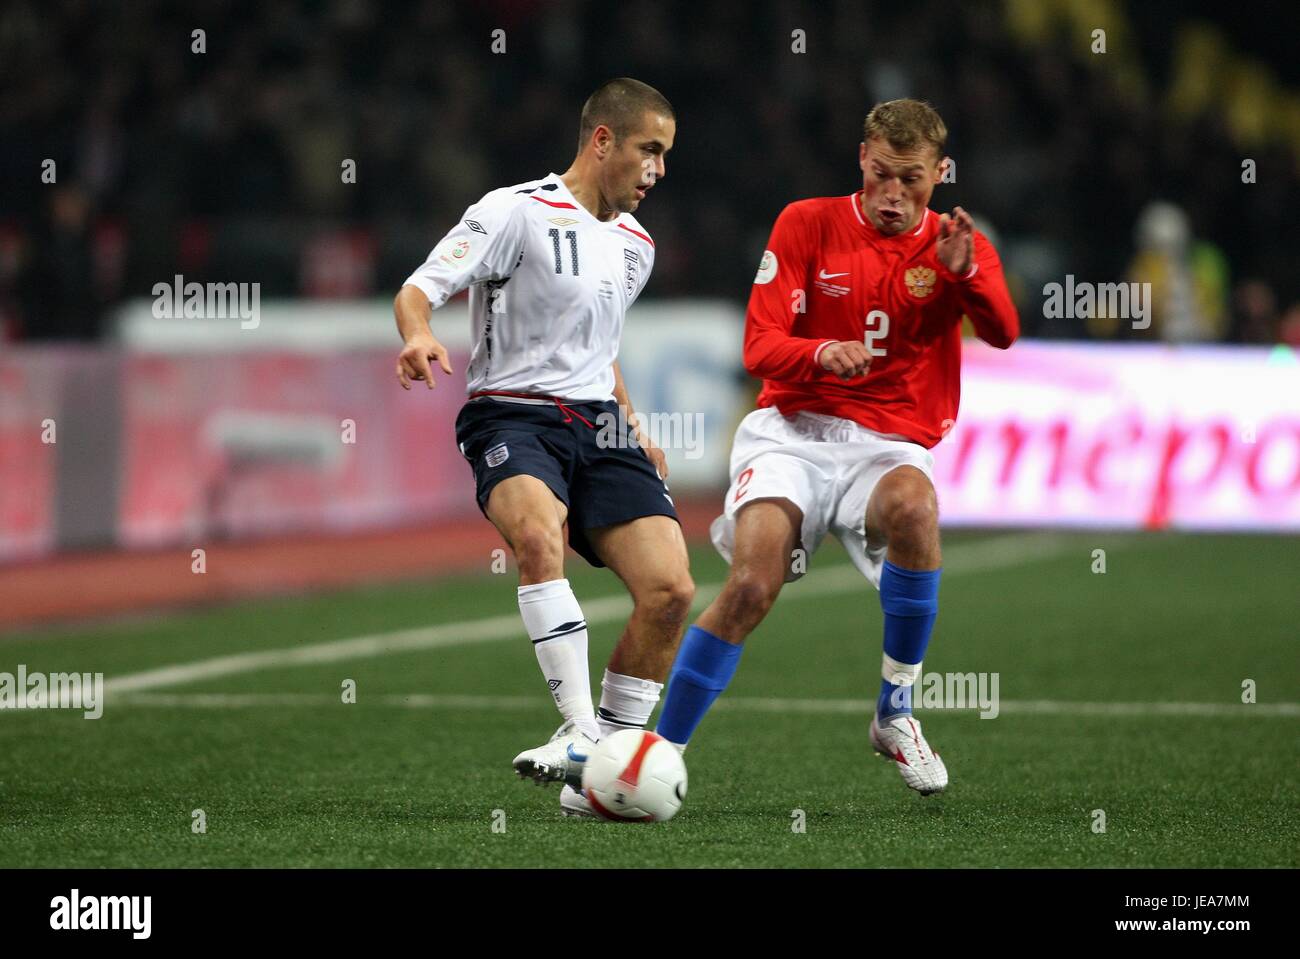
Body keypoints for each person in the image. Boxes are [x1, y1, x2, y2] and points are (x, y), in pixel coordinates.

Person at [656, 99, 1019, 795]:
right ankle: (662, 751)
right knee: (753, 584)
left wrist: (965, 273)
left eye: (910, 179)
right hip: (794, 432)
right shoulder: (806, 222)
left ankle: (896, 710)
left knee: (916, 509)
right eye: (880, 173)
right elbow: (758, 344)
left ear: (940, 173)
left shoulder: (956, 244)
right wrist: (821, 351)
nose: (892, 193)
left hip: (888, 445)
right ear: (862, 158)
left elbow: (1003, 332)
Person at [393, 78, 691, 817]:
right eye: (649, 151)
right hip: (512, 416)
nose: (657, 171)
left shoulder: (636, 246)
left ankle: (599, 775)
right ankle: (580, 726)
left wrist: (632, 422)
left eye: (666, 156)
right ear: (602, 142)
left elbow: (600, 345)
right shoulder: (513, 210)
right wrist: (419, 334)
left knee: (671, 591)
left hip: (600, 422)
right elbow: (418, 288)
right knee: (537, 534)